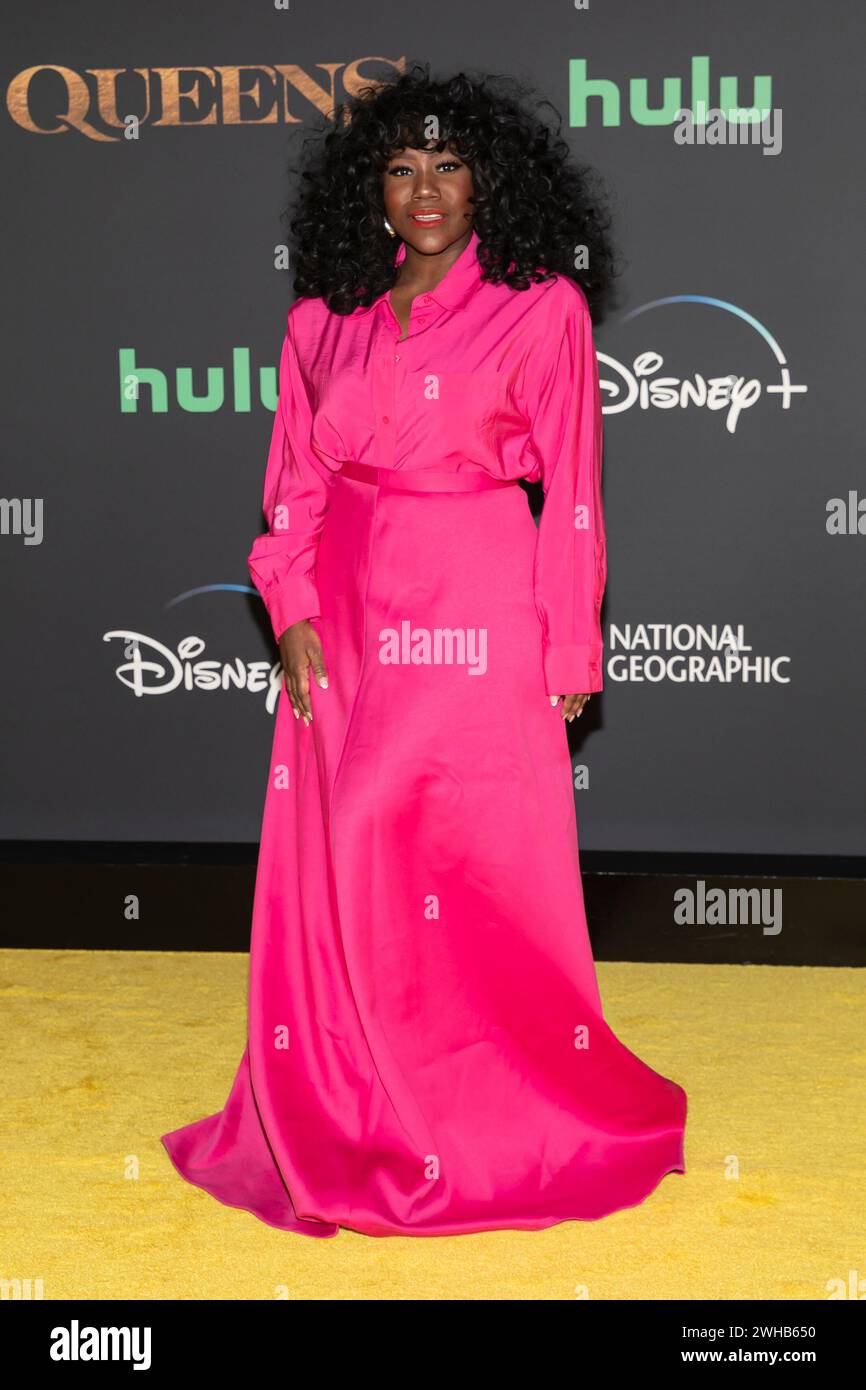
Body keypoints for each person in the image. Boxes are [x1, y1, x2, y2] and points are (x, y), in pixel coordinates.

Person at [161, 65, 687, 1237]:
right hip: (346, 605)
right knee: (350, 862)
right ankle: (353, 1099)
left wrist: (565, 650)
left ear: (488, 178)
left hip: (478, 591)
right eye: (401, 167)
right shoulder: (322, 320)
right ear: (372, 191)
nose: (426, 188)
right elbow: (292, 491)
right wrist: (289, 607)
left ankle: (472, 1108)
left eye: (448, 163)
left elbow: (575, 500)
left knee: (454, 863)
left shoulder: (538, 305)